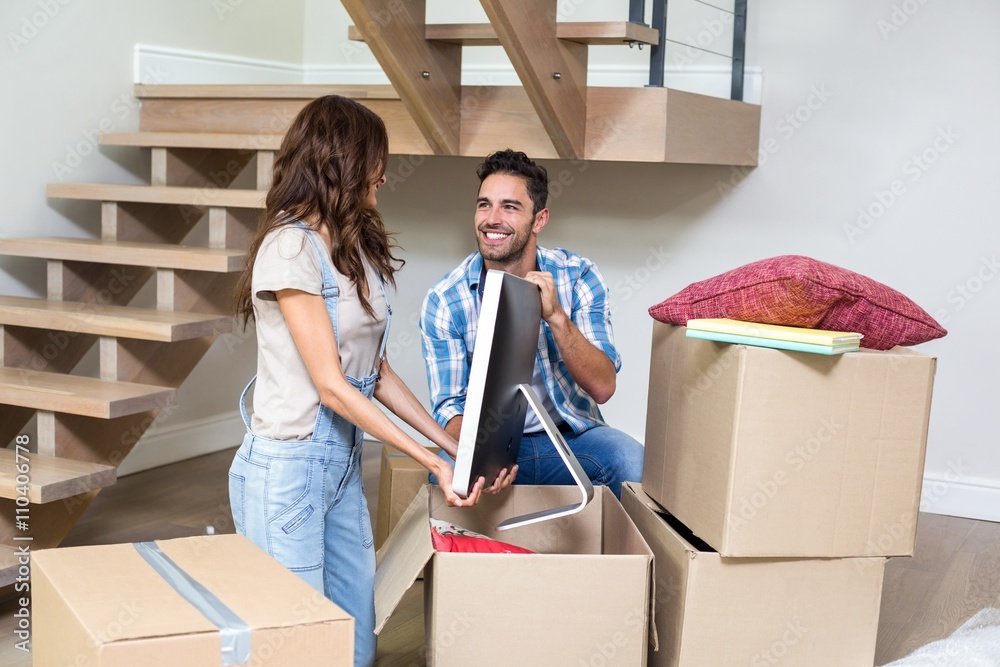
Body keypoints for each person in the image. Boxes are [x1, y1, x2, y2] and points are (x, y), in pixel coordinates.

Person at [229, 96, 513, 667]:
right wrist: (431, 463)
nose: (383, 173)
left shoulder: (352, 243)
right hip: (288, 469)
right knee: (297, 649)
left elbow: (372, 371)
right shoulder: (289, 247)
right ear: (342, 160)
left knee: (357, 646)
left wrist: (449, 443)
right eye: (375, 160)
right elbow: (333, 387)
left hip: (339, 467)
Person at [419, 148, 643, 499]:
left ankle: (624, 555)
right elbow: (450, 407)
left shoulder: (578, 275)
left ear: (539, 220)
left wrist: (556, 318)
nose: (492, 219)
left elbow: (603, 386)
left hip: (571, 438)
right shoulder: (445, 299)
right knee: (447, 481)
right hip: (494, 447)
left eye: (510, 207)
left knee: (632, 462)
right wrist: (479, 457)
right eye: (483, 204)